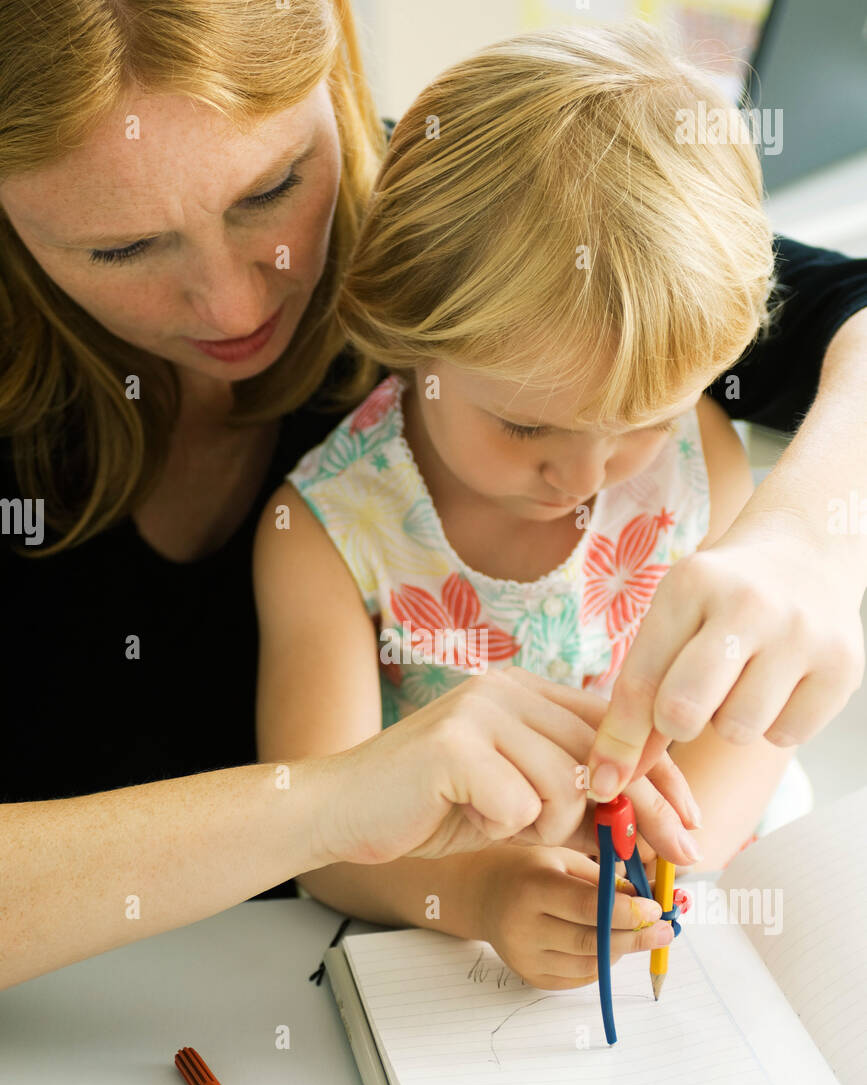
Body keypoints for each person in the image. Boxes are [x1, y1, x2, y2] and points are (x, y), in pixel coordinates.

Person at [1, 2, 865, 989]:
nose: (238, 307)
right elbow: (339, 849)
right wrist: (465, 880)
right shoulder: (340, 510)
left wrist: (811, 538)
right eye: (121, 249)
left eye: (273, 187)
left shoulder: (507, 219)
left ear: (339, 65)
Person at [254, 23, 832, 987]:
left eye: (640, 420)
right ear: (405, 328)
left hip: (730, 890)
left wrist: (678, 865)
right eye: (526, 430)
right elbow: (321, 842)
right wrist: (481, 892)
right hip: (466, 946)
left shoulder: (696, 451)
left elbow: (750, 727)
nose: (587, 476)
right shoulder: (327, 532)